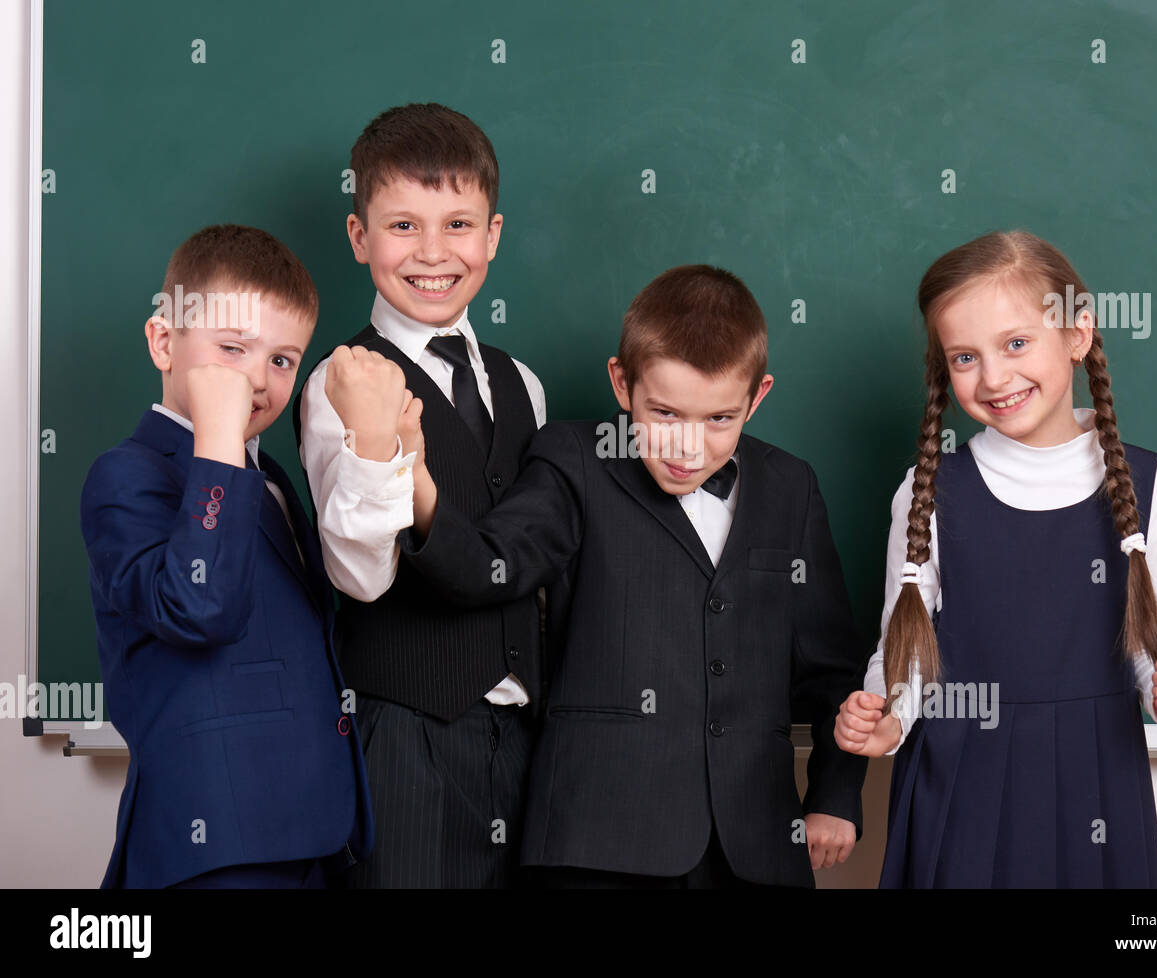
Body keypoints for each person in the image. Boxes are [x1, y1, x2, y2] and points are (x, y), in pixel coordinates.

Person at [329, 264, 867, 887]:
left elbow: (831, 669)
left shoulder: (791, 486)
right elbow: (484, 568)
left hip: (758, 844)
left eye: (720, 419)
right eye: (664, 413)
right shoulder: (575, 460)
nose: (688, 447)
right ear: (622, 383)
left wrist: (835, 789)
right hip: (598, 842)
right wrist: (412, 472)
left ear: (758, 396)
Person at [835, 230, 1157, 888]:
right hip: (960, 784)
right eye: (965, 357)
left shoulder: (1150, 482)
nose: (995, 377)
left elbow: (1155, 643)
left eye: (1015, 343)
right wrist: (884, 722)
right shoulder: (928, 492)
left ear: (1077, 335)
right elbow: (904, 654)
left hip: (1098, 788)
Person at [295, 102, 547, 887]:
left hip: (523, 738)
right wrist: (380, 446)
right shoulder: (337, 383)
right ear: (359, 237)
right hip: (403, 733)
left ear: (493, 235)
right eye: (402, 226)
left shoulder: (522, 384)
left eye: (458, 225)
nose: (433, 253)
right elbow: (360, 576)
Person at [81, 224, 372, 888]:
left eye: (283, 360)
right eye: (232, 349)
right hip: (216, 840)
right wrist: (216, 439)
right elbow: (200, 607)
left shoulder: (268, 483)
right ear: (164, 342)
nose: (258, 380)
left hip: (315, 831)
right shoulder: (127, 477)